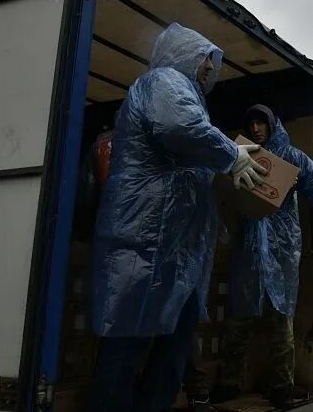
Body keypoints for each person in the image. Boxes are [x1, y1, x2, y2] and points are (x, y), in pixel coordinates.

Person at [87, 23, 267, 412]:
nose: (210, 68)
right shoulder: (162, 82)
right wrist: (230, 155)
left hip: (176, 251)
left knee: (175, 342)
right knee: (128, 342)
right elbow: (180, 128)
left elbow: (191, 162)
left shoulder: (186, 96)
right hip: (143, 243)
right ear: (182, 53)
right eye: (205, 59)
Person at [77, 126, 216, 411]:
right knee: (143, 340)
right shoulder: (158, 144)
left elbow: (87, 203)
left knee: (142, 338)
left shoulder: (116, 144)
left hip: (144, 256)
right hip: (149, 256)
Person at [214, 104, 313, 409]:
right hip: (248, 253)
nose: (256, 129)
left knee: (281, 324)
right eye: (252, 124)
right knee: (238, 323)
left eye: (261, 123)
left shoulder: (290, 156)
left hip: (281, 253)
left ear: (271, 124)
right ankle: (229, 383)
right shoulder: (242, 155)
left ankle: (281, 387)